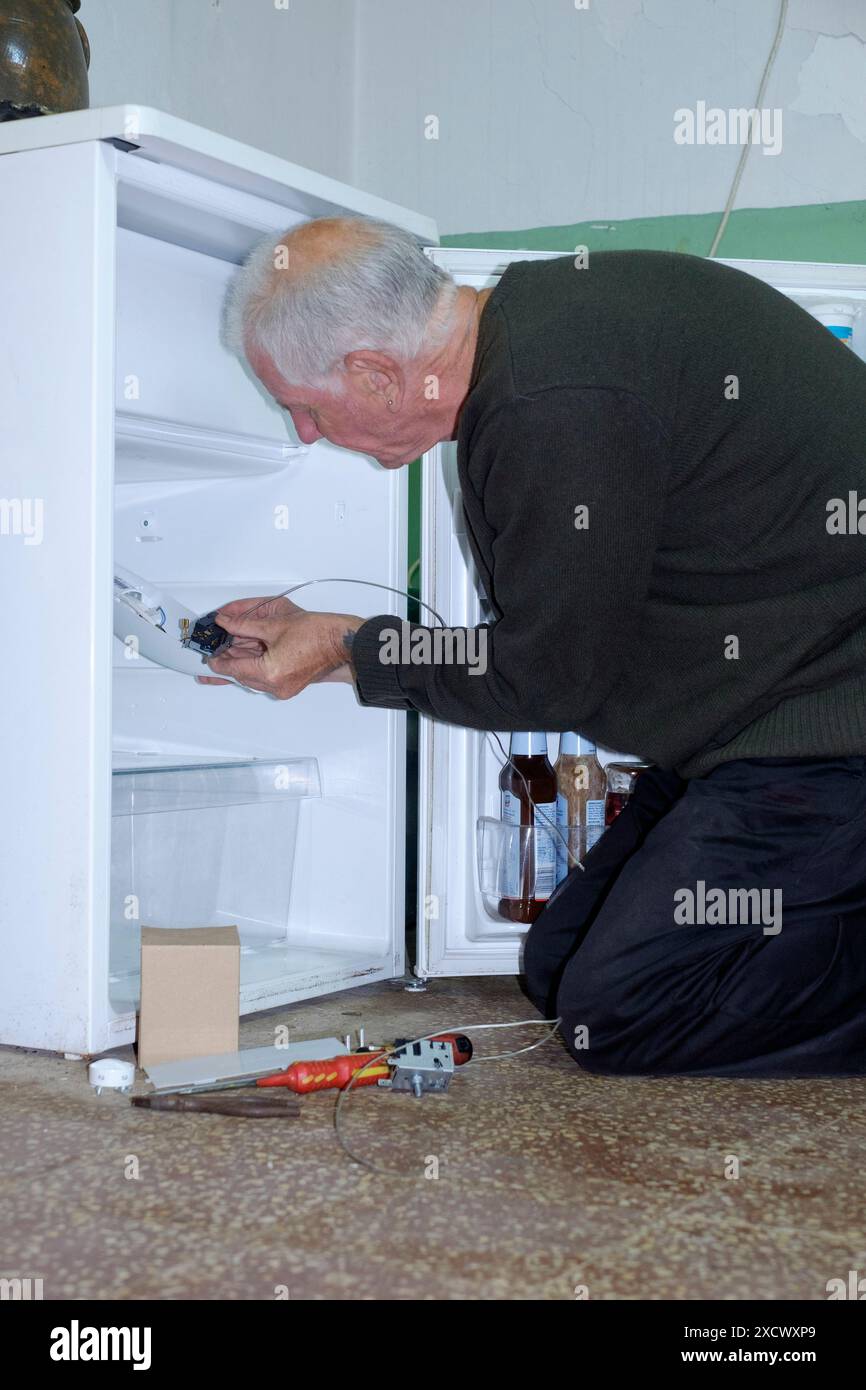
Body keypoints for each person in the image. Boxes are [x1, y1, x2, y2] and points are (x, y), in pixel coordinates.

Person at [205, 214, 866, 1077]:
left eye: (302, 406)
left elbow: (544, 678)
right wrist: (348, 647)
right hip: (761, 717)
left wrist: (344, 647)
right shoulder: (539, 332)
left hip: (830, 730)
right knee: (557, 965)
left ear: (372, 372)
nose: (304, 432)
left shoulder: (549, 404)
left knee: (623, 1011)